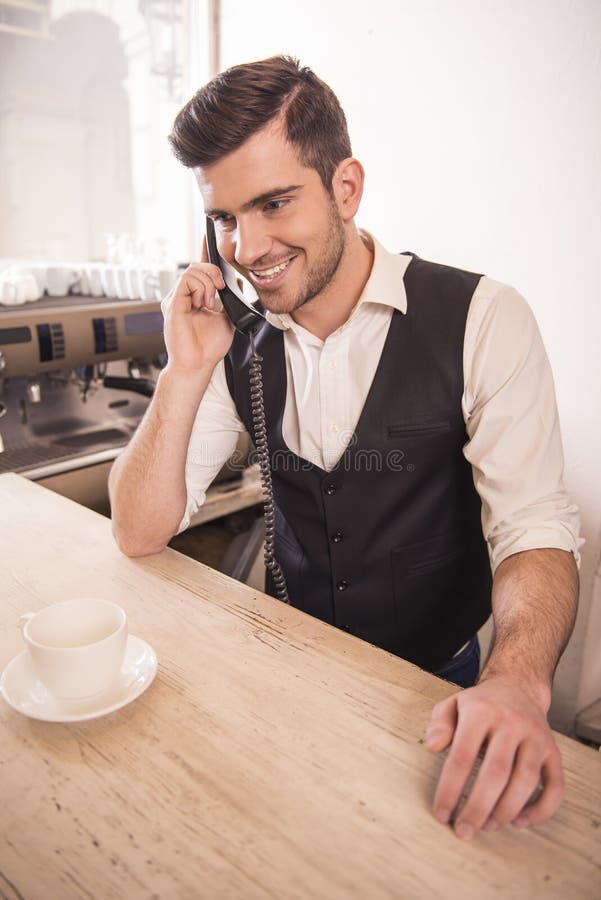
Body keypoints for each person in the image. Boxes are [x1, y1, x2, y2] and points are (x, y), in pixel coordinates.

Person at [108, 56, 581, 841]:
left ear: (346, 189)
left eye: (274, 203)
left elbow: (532, 527)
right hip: (287, 671)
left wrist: (516, 684)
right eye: (224, 218)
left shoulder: (484, 318)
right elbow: (137, 529)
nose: (247, 247)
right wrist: (185, 369)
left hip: (436, 683)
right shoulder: (235, 343)